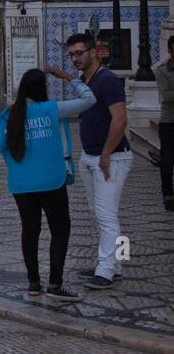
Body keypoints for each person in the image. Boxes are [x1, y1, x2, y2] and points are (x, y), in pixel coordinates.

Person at [0, 67, 95, 300]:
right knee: (60, 230)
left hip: (22, 183)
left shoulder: (10, 114)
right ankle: (55, 284)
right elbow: (90, 99)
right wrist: (69, 79)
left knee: (30, 230)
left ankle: (33, 282)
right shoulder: (52, 109)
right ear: (42, 89)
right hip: (51, 180)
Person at [67, 32, 130, 289]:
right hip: (90, 156)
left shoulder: (107, 81)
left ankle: (104, 270)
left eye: (79, 53)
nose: (75, 58)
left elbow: (120, 119)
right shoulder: (86, 80)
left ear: (94, 52)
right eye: (71, 54)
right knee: (99, 212)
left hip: (112, 158)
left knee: (106, 215)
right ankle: (113, 264)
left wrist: (106, 153)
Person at [154, 34, 174, 212]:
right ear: (169, 52)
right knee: (167, 162)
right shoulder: (161, 71)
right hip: (169, 122)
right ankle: (168, 196)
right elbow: (166, 97)